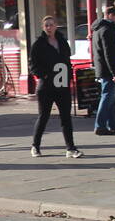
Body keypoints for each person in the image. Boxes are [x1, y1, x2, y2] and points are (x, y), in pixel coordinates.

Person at [28, 16, 82, 159]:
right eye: (46, 25)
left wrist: (69, 77)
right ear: (43, 27)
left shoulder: (62, 42)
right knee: (44, 116)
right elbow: (33, 65)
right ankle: (35, 145)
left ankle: (71, 148)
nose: (49, 27)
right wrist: (44, 75)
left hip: (62, 85)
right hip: (46, 87)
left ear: (56, 26)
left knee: (66, 117)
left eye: (51, 25)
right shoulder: (39, 44)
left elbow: (67, 61)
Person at [90, 4, 115, 135]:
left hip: (101, 67)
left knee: (110, 97)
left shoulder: (97, 29)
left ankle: (113, 124)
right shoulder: (107, 30)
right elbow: (109, 53)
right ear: (110, 15)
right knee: (107, 97)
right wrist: (114, 72)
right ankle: (100, 125)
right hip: (107, 69)